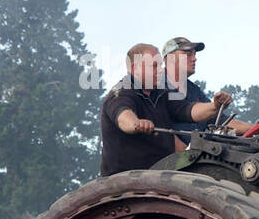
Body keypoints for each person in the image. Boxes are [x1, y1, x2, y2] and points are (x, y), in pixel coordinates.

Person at [99, 43, 233, 175]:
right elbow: (123, 117)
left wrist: (214, 105)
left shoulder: (161, 92)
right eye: (154, 66)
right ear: (135, 69)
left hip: (159, 174)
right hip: (125, 180)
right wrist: (136, 123)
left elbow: (188, 110)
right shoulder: (121, 93)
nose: (161, 70)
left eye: (160, 66)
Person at [161, 37, 251, 134]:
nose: (194, 59)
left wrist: (258, 128)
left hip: (194, 148)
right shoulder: (156, 88)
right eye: (188, 55)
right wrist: (214, 106)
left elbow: (221, 121)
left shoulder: (194, 91)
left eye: (194, 54)